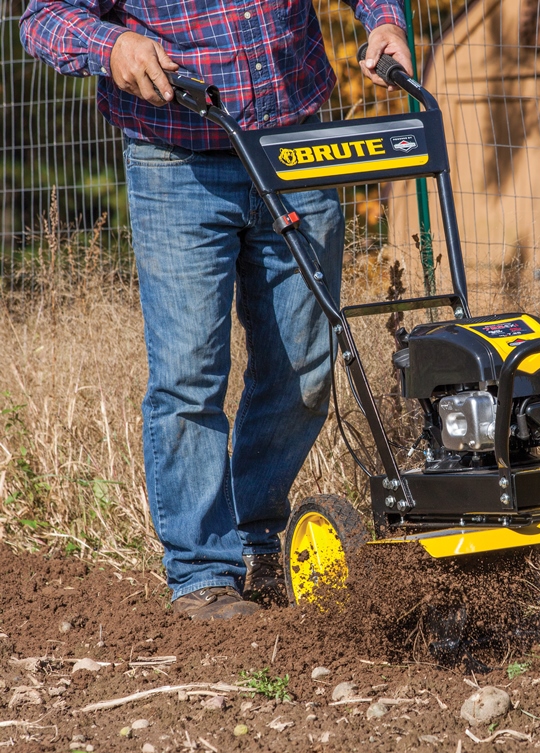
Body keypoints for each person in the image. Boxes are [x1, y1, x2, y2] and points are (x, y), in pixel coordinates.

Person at [20, 0, 412, 621]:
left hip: (295, 148)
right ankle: (202, 572)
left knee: (305, 366)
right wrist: (112, 45)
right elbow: (44, 16)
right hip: (177, 162)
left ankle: (257, 540)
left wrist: (385, 19)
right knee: (189, 374)